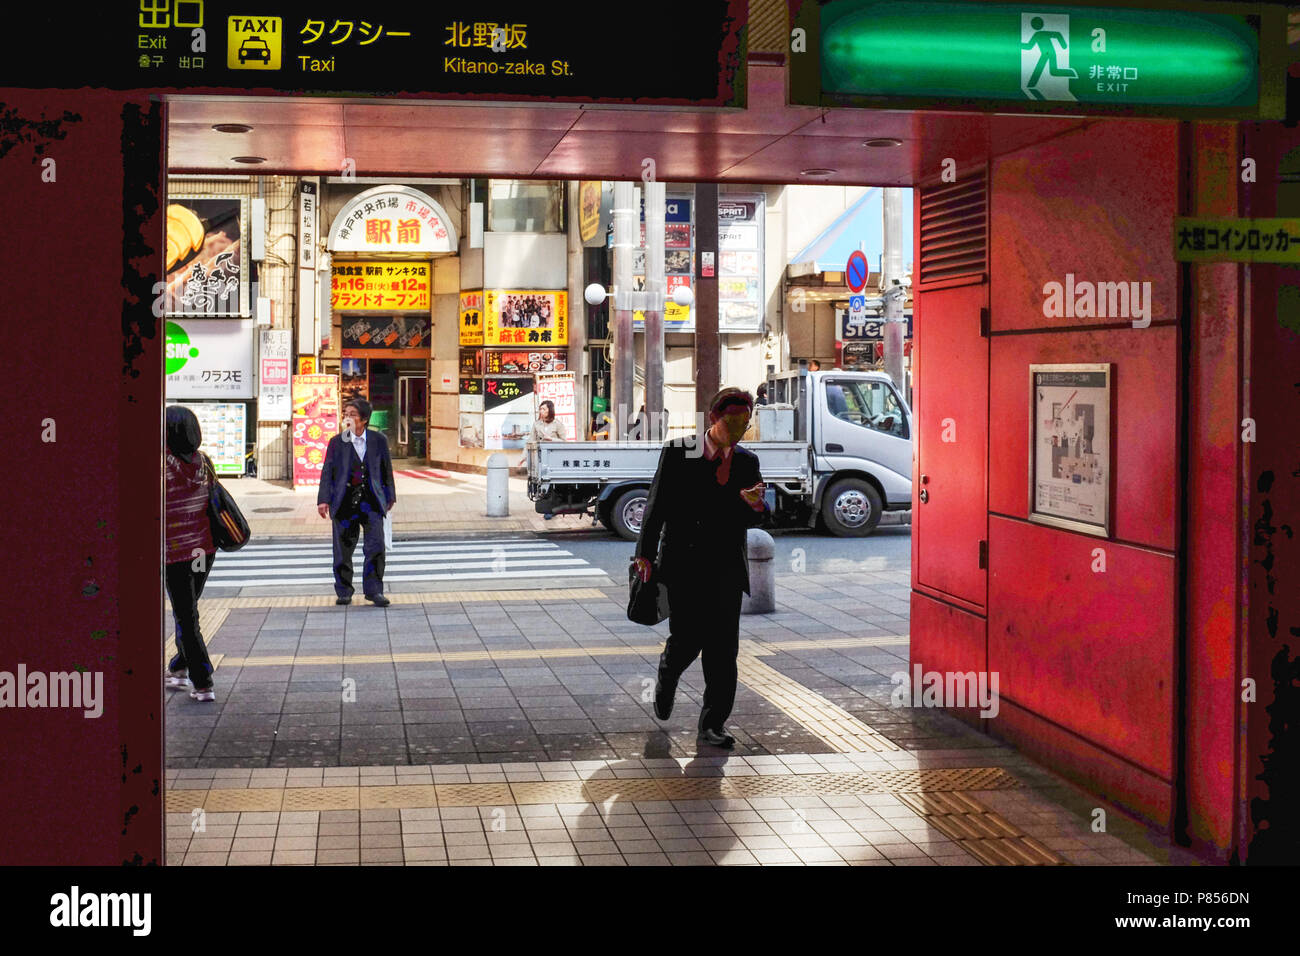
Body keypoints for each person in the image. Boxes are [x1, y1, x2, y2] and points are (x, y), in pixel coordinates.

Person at [633, 387, 768, 750]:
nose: (740, 428)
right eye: (733, 422)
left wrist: (753, 506)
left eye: (746, 422)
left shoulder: (746, 461)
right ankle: (668, 671)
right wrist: (644, 554)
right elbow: (656, 506)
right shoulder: (681, 451)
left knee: (724, 652)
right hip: (683, 565)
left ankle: (713, 724)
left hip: (726, 568)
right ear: (713, 419)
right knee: (687, 641)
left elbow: (755, 517)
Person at [317, 398, 396, 607]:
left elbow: (386, 470)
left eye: (352, 414)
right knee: (342, 549)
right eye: (346, 414)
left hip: (371, 501)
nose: (348, 418)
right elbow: (327, 472)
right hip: (343, 501)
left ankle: (374, 591)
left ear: (364, 419)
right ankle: (344, 591)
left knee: (376, 546)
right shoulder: (337, 441)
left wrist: (390, 496)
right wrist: (323, 499)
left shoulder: (378, 440)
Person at [164, 405, 218, 702]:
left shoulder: (161, 465)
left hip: (176, 554)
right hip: (203, 550)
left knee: (187, 617)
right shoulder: (203, 462)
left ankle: (203, 680)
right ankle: (178, 666)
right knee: (189, 611)